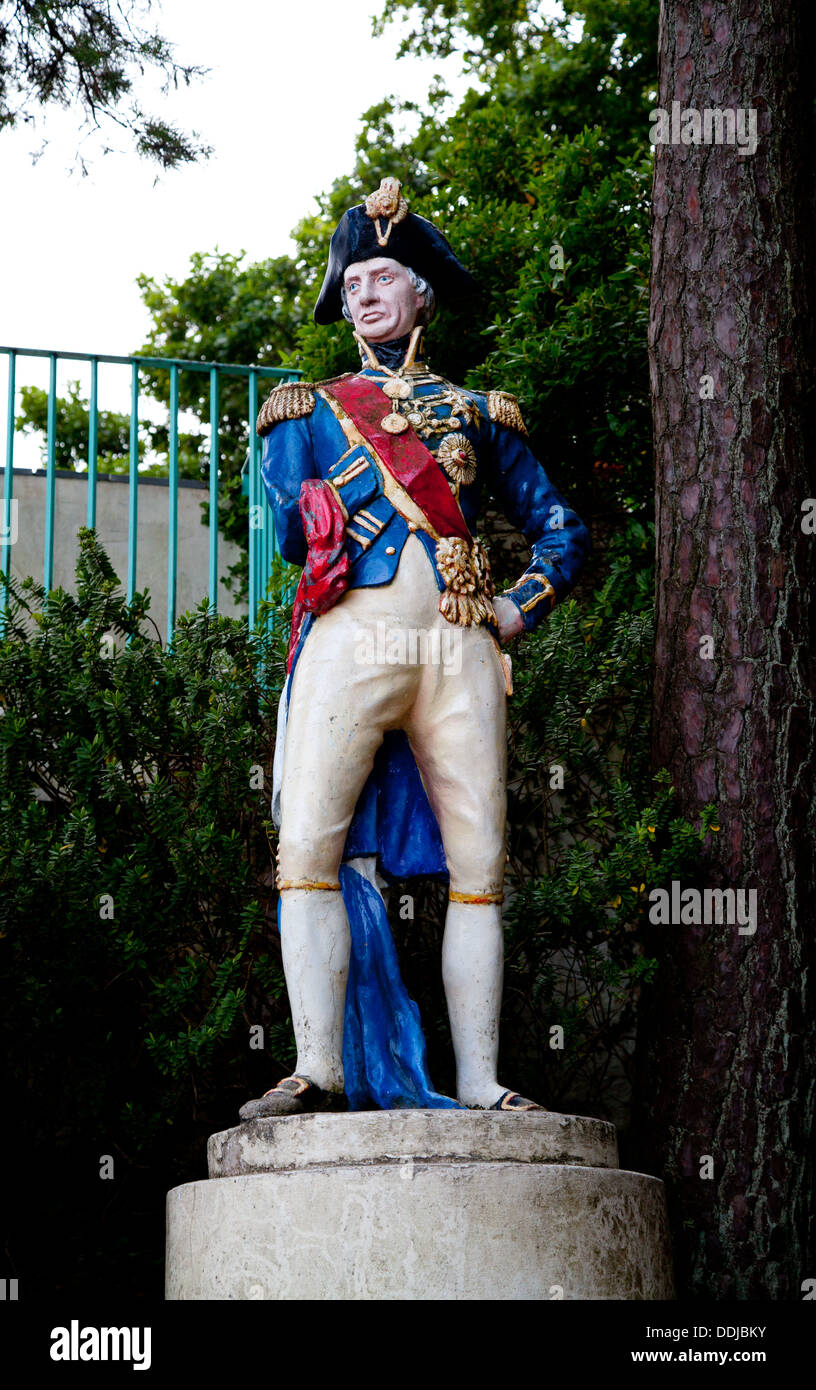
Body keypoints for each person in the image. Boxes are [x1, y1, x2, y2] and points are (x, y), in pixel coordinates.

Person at [239, 178, 591, 1120]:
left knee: (480, 865)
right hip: (350, 642)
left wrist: (514, 609)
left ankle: (479, 1080)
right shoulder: (303, 411)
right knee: (306, 845)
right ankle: (319, 1068)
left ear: (420, 295)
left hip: (457, 649)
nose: (363, 295)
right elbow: (285, 527)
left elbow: (563, 529)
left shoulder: (481, 414)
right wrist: (306, 514)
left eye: (381, 277)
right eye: (351, 282)